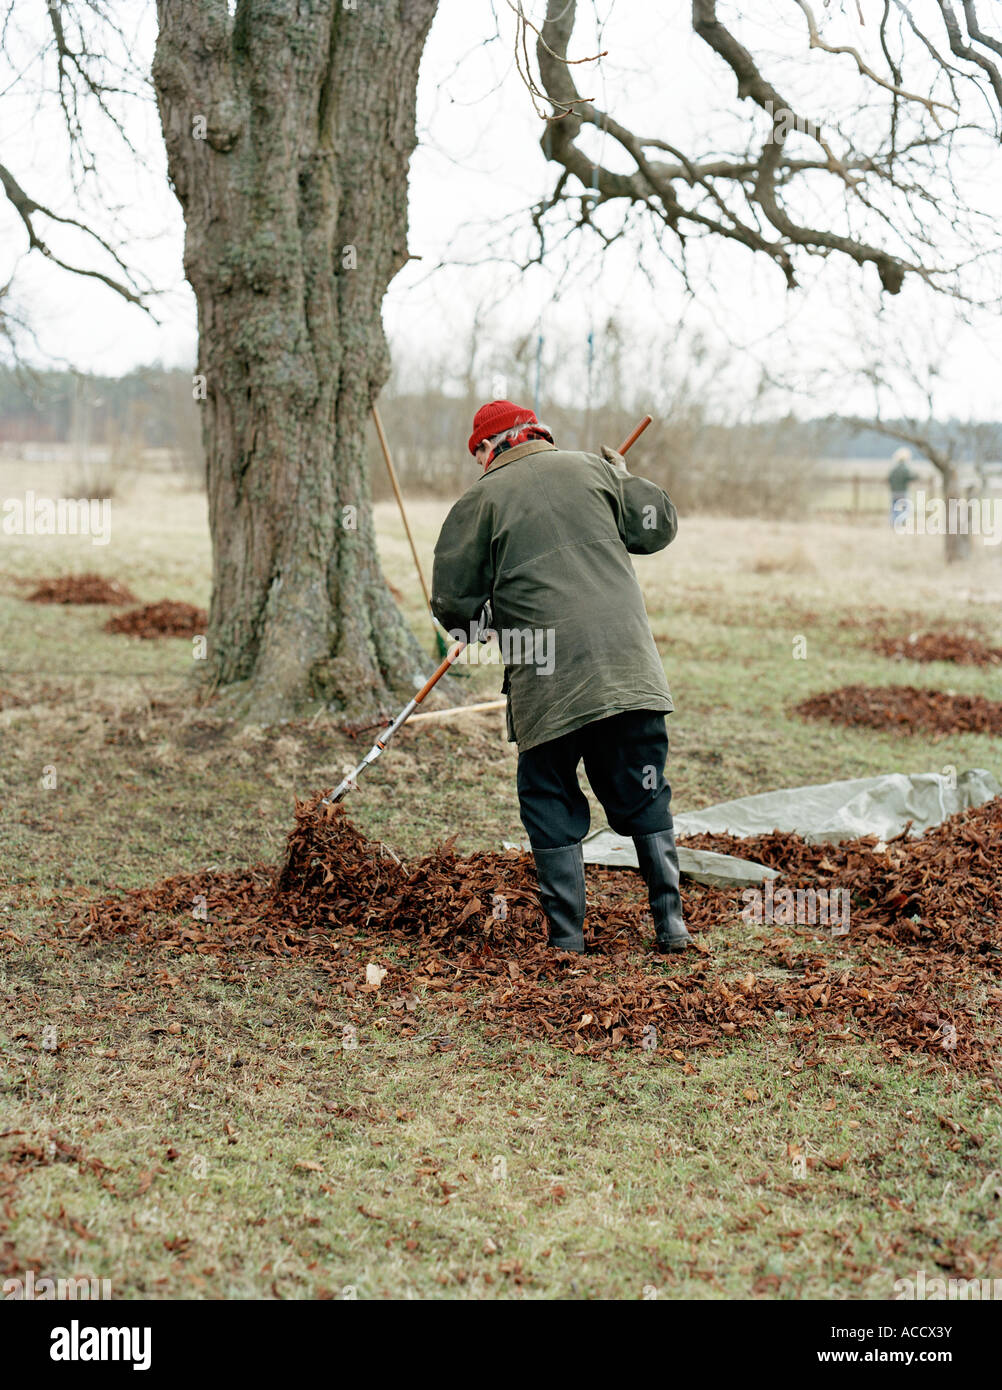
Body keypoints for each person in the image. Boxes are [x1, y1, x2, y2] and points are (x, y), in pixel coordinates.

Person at [430, 399, 689, 955]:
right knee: (644, 789)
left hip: (549, 684)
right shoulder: (596, 471)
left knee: (548, 794)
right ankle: (671, 927)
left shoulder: (479, 500)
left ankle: (567, 939)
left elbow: (454, 602)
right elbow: (658, 526)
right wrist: (623, 476)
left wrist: (478, 624)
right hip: (630, 674)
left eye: (477, 455)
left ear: (486, 448)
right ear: (537, 434)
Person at [888, 447, 915, 528]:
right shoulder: (905, 469)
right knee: (905, 508)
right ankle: (902, 523)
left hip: (894, 492)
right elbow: (911, 477)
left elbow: (890, 479)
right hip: (903, 491)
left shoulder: (894, 469)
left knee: (894, 508)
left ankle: (894, 523)